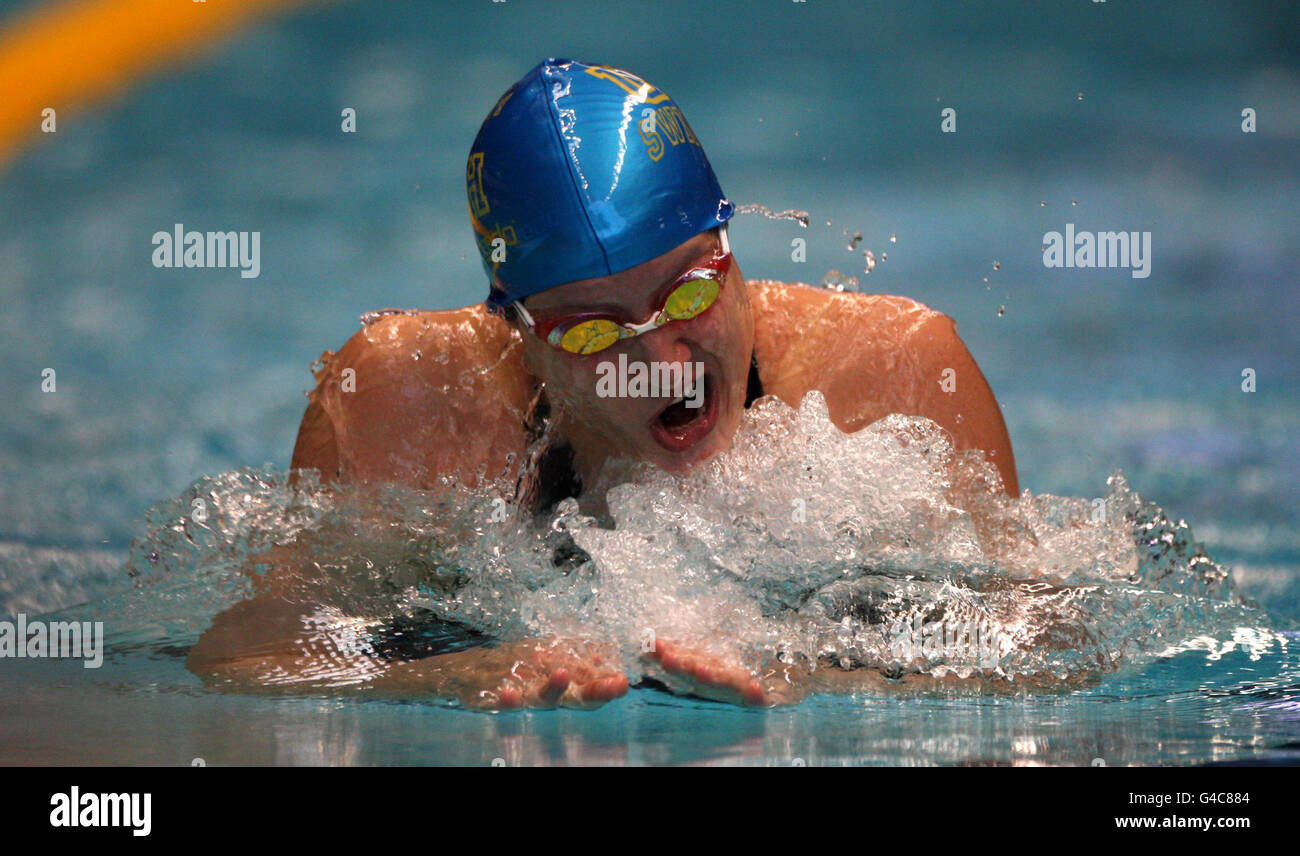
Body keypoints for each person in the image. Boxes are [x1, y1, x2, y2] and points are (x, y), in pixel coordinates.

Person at [187, 58, 1019, 710]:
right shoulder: (405, 405)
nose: (663, 366)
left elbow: (1049, 650)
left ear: (730, 243)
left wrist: (816, 675)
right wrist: (464, 674)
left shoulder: (894, 373)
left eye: (690, 291)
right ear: (516, 331)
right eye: (590, 331)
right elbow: (251, 656)